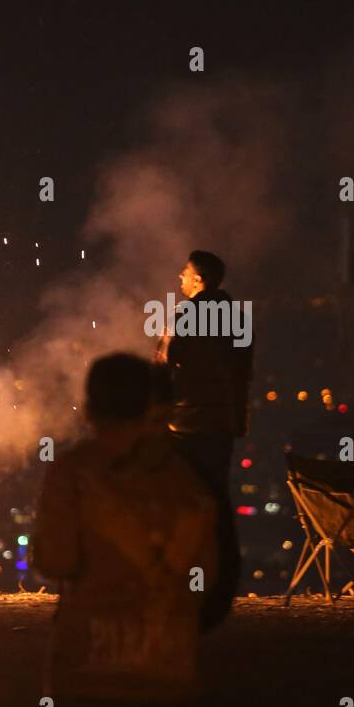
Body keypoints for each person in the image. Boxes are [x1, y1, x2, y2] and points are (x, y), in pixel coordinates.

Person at [35, 353, 218, 707]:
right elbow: (208, 582)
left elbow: (55, 561)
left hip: (89, 672)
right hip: (169, 674)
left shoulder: (73, 471)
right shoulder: (188, 480)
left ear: (89, 408)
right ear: (147, 406)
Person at [155, 249, 253, 631]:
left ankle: (182, 581)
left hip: (184, 425)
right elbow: (244, 374)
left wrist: (157, 416)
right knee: (215, 499)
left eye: (185, 273)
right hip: (221, 425)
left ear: (199, 280)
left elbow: (164, 371)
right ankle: (216, 581)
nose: (179, 278)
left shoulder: (184, 318)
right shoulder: (238, 320)